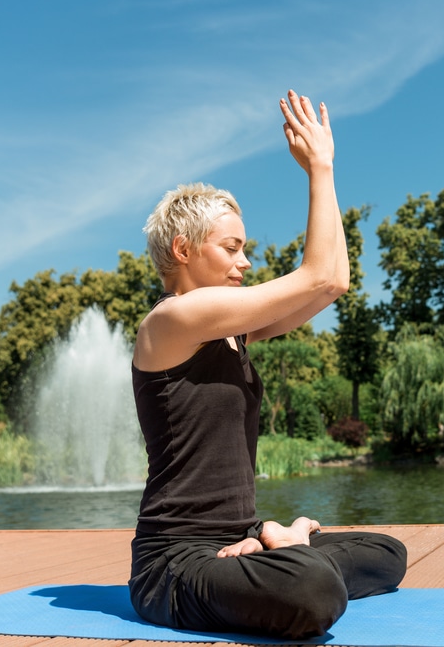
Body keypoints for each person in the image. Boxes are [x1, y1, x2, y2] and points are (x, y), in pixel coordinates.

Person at [128, 90, 407, 640]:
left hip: (240, 539)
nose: (246, 261)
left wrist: (260, 533)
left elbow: (335, 282)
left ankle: (273, 545)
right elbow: (317, 276)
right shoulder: (172, 320)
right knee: (313, 589)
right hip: (175, 564)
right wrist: (319, 168)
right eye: (231, 248)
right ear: (183, 250)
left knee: (386, 554)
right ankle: (287, 551)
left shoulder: (233, 330)